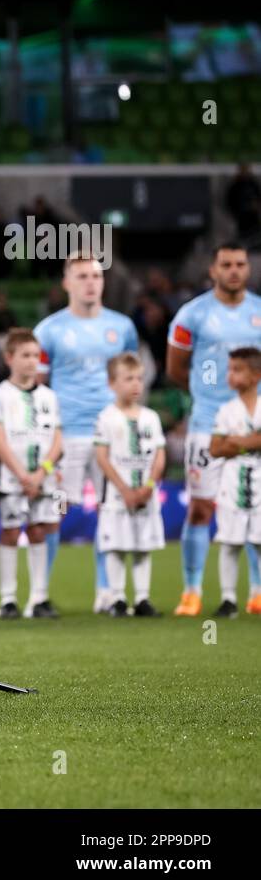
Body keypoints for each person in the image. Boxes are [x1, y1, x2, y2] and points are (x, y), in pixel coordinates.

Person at [34, 253, 139, 613]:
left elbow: (130, 378)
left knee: (112, 513)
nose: (90, 282)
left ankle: (109, 594)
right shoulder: (48, 330)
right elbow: (38, 387)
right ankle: (40, 594)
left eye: (96, 275)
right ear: (66, 283)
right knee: (54, 511)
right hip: (68, 436)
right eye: (82, 276)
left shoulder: (122, 327)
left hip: (110, 435)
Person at [166, 243, 261, 617]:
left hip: (254, 426)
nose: (234, 270)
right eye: (227, 264)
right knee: (202, 508)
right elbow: (176, 369)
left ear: (248, 270)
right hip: (207, 426)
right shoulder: (192, 314)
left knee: (257, 509)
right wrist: (204, 397)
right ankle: (192, 591)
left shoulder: (259, 311)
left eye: (240, 264)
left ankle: (255, 592)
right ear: (213, 269)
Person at [0, 329, 63, 619]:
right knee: (9, 532)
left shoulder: (49, 396)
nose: (32, 362)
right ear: (9, 358)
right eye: (25, 356)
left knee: (38, 529)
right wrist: (22, 475)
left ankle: (38, 598)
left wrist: (41, 473)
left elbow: (57, 441)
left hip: (43, 479)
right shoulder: (0, 396)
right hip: (12, 478)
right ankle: (8, 599)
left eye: (36, 356)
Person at [93, 351, 166, 618]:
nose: (136, 384)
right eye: (128, 379)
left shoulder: (151, 417)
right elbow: (102, 457)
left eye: (139, 378)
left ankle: (143, 597)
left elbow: (160, 456)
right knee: (117, 545)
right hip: (117, 495)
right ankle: (118, 598)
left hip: (146, 494)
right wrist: (124, 489)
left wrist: (148, 486)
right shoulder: (106, 417)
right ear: (112, 383)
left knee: (142, 545)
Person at [207, 347, 261, 617]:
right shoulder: (226, 410)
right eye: (229, 369)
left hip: (259, 484)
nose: (230, 375)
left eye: (237, 369)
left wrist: (237, 441)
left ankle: (257, 593)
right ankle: (228, 598)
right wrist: (250, 443)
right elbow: (216, 448)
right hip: (232, 484)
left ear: (256, 375)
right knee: (229, 542)